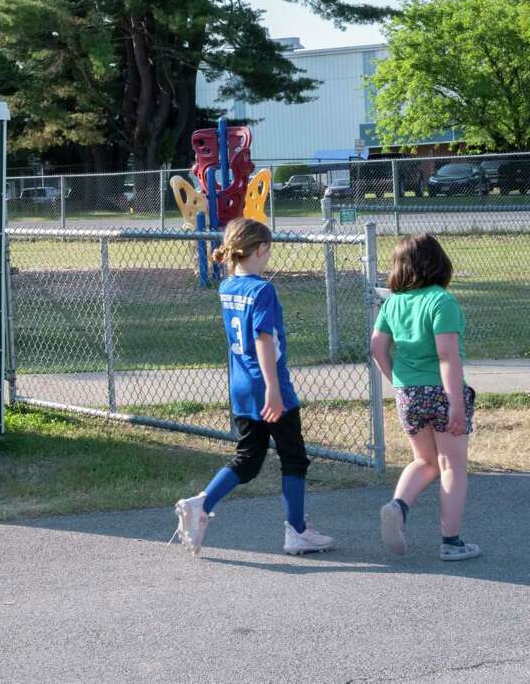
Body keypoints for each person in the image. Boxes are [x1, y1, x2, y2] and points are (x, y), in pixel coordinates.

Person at [173, 218, 335, 556]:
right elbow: (263, 339)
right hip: (269, 387)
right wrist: (274, 389)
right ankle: (297, 531)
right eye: (268, 250)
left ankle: (201, 503)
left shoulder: (227, 286)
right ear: (260, 250)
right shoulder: (263, 289)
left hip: (242, 388)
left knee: (248, 458)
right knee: (294, 457)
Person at [371, 234, 480, 561]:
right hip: (442, 392)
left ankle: (398, 506)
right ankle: (451, 542)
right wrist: (456, 405)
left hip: (409, 393)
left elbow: (377, 347)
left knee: (425, 461)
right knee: (451, 465)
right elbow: (447, 356)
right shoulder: (441, 301)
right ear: (439, 262)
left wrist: (399, 382)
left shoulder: (392, 302)